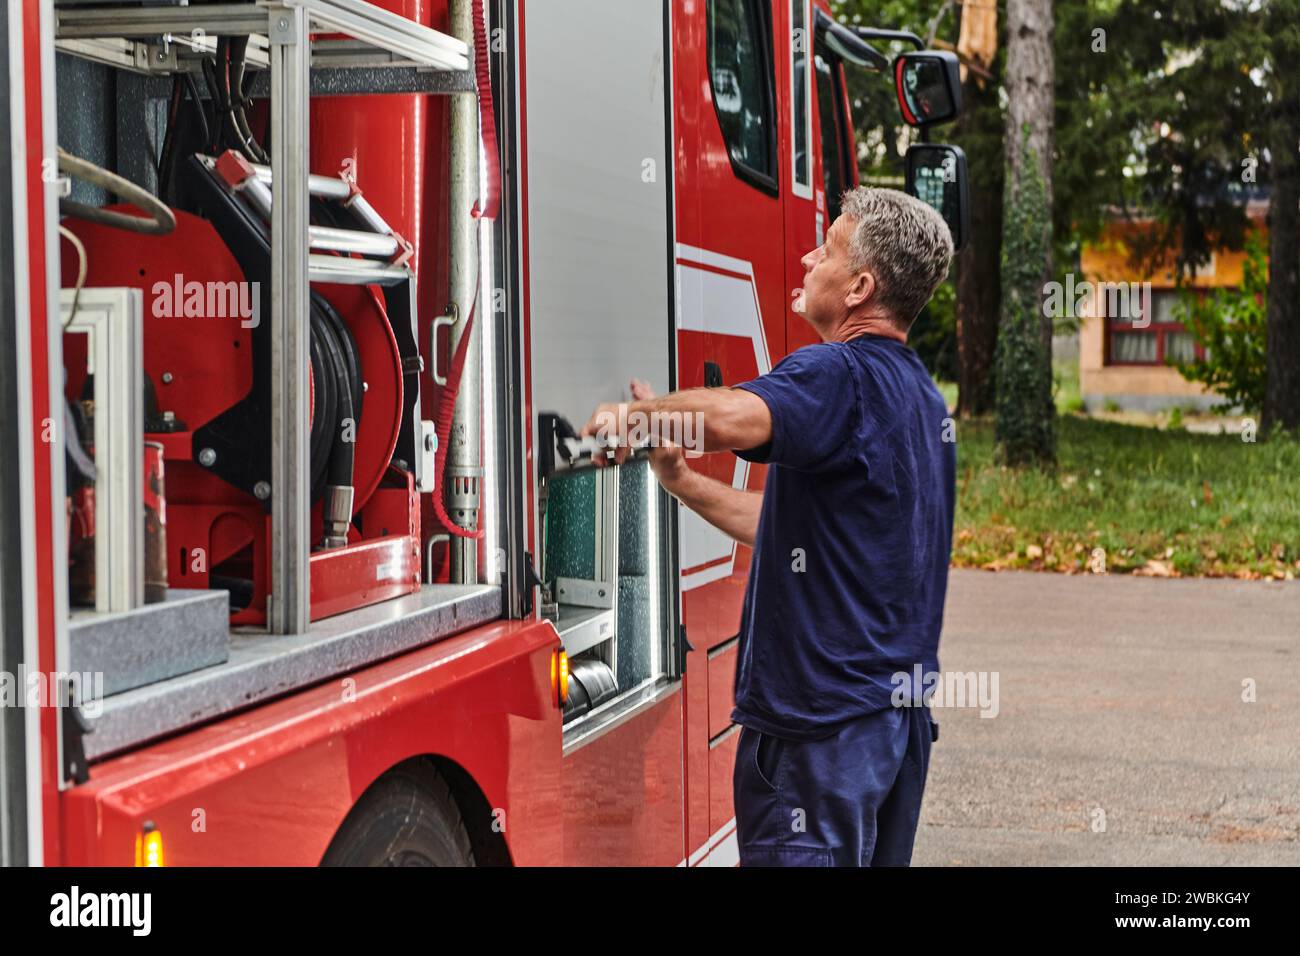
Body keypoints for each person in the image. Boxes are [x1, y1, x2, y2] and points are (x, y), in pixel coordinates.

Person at [582, 187, 956, 866]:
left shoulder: (839, 371)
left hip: (820, 735)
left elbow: (735, 418)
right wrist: (682, 482)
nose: (811, 257)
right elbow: (803, 533)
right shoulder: (922, 399)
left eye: (830, 248)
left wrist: (633, 418)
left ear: (859, 287)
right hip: (888, 734)